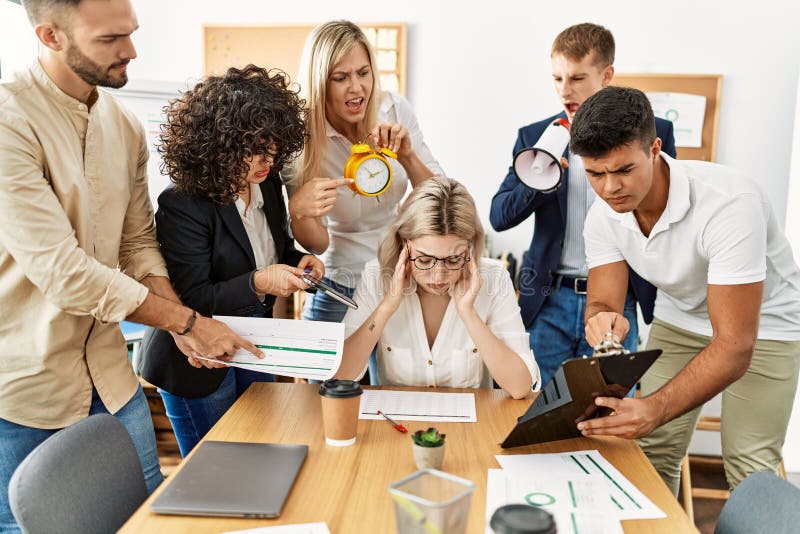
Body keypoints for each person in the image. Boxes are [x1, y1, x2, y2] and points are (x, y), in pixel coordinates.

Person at [0, 0, 261, 531]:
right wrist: (186, 322)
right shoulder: (10, 123)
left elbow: (138, 242)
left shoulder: (123, 125)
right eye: (110, 40)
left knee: (148, 522)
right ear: (50, 36)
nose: (131, 51)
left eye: (132, 33)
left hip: (114, 385)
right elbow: (65, 274)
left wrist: (181, 325)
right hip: (26, 392)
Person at [572, 86, 800, 494]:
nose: (609, 189)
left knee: (749, 466)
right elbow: (604, 301)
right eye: (595, 174)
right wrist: (600, 321)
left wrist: (656, 407)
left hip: (767, 326)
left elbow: (733, 345)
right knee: (651, 449)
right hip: (680, 317)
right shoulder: (603, 216)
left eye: (624, 170)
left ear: (655, 148)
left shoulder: (729, 204)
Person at [136, 65, 323, 457]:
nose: (266, 159)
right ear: (218, 145)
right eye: (253, 149)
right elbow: (188, 300)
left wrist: (300, 259)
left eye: (272, 146)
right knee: (218, 466)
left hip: (254, 342)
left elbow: (275, 248)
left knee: (262, 450)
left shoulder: (267, 183)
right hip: (197, 361)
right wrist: (257, 283)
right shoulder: (183, 203)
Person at [489, 23, 676, 387]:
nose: (564, 90)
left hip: (619, 299)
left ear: (606, 75)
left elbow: (663, 211)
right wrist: (540, 181)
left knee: (610, 410)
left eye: (576, 78)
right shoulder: (535, 136)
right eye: (557, 78)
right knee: (532, 406)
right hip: (548, 299)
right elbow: (499, 217)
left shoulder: (655, 132)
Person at [284, 20, 444, 383]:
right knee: (321, 396)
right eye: (340, 77)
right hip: (339, 283)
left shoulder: (394, 110)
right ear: (319, 81)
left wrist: (407, 156)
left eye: (363, 73)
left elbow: (440, 201)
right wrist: (300, 211)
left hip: (400, 279)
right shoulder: (302, 139)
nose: (356, 89)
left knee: (403, 399)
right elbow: (317, 243)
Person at [337, 177, 540, 399]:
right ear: (404, 244)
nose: (439, 275)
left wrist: (469, 314)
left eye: (453, 260)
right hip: (397, 425)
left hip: (472, 428)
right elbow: (341, 375)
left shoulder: (494, 279)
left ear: (470, 248)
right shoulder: (377, 276)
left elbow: (520, 387)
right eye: (424, 260)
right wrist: (386, 307)